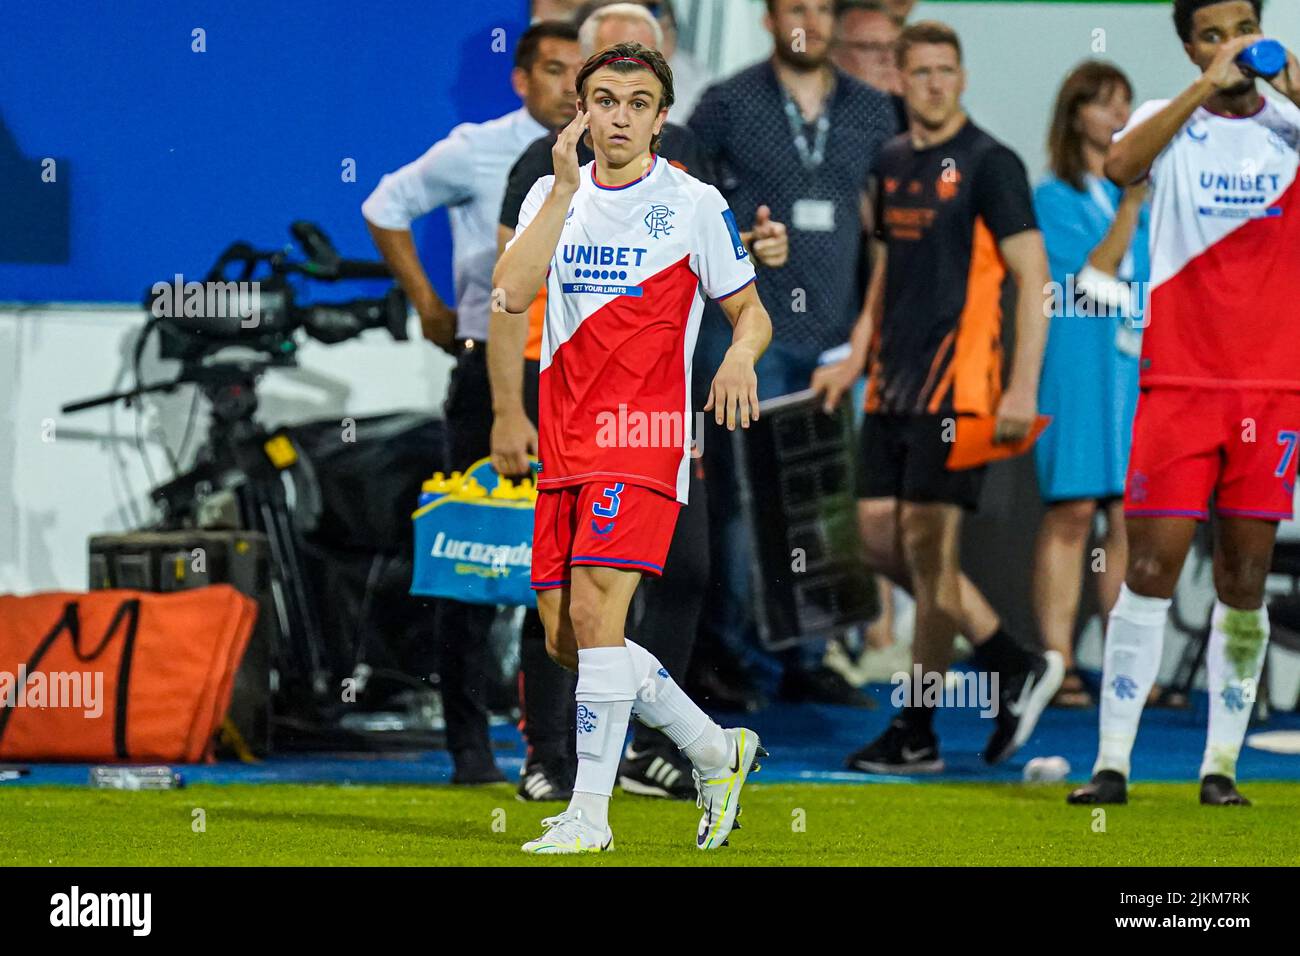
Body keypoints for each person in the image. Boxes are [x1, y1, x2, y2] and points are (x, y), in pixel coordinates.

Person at [493, 1, 789, 803]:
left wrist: (739, 358)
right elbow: (510, 293)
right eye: (605, 101)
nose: (620, 117)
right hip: (566, 435)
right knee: (566, 637)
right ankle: (714, 747)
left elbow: (751, 311)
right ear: (581, 111)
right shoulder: (551, 192)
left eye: (637, 104)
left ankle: (587, 814)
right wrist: (562, 191)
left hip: (645, 431)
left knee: (597, 620)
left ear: (662, 120)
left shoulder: (693, 203)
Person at [813, 21, 1063, 773]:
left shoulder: (991, 162)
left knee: (928, 553)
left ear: (962, 77)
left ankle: (917, 728)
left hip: (962, 388)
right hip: (892, 387)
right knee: (872, 538)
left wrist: (1022, 385)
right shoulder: (889, 160)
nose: (933, 84)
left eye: (945, 70)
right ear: (899, 79)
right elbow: (884, 271)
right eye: (919, 71)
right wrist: (857, 355)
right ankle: (1010, 660)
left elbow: (1034, 278)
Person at [1069, 0, 1300, 807]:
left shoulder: (1291, 123)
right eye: (1212, 35)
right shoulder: (1166, 120)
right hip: (1179, 382)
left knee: (1245, 574)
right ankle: (1112, 764)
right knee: (1151, 566)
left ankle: (1221, 768)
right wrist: (1205, 88)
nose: (1231, 45)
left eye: (1242, 29)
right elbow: (1119, 165)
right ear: (1190, 48)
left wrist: (1294, 87)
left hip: (1273, 388)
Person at [361, 21, 584, 785]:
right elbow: (385, 203)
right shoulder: (478, 148)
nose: (568, 86)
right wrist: (428, 304)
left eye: (578, 71)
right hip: (489, 376)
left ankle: (551, 750)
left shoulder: (600, 160)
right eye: (552, 69)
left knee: (559, 568)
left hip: (567, 376)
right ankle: (468, 748)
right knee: (473, 561)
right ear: (520, 79)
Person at [688, 0, 899, 706]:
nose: (808, 20)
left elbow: (886, 235)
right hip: (742, 332)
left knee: (821, 503)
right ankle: (725, 653)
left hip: (834, 337)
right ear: (769, 19)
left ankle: (810, 658)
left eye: (819, 8)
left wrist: (866, 340)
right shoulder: (726, 103)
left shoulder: (873, 110)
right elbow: (686, 206)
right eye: (793, 8)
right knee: (736, 502)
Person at [1032, 62, 1149, 708]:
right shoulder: (1054, 199)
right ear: (1076, 115)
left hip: (1133, 371)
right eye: (1105, 103)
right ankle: (1059, 663)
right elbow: (1091, 282)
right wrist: (1130, 204)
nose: (1119, 115)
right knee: (1073, 510)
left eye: (1126, 103)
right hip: (1074, 368)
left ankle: (1125, 668)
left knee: (1128, 515)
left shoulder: (1153, 203)